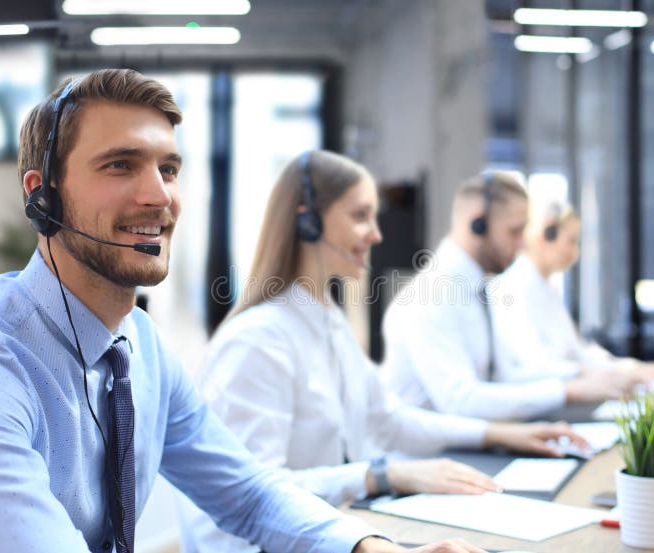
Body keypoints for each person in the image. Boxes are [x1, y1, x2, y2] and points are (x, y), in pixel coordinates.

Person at [0, 69, 488, 553]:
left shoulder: (140, 345)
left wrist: (369, 548)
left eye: (168, 169)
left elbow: (247, 491)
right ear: (42, 197)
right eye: (120, 165)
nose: (159, 195)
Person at [178, 151, 587, 552]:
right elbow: (255, 498)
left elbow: (388, 418)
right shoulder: (257, 342)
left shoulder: (327, 320)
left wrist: (504, 434)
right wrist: (381, 475)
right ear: (307, 221)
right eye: (360, 216)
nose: (376, 234)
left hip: (333, 532)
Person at [381, 173, 641, 421]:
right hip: (420, 459)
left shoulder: (478, 289)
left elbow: (505, 374)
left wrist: (586, 380)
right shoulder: (432, 294)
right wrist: (567, 390)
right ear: (477, 224)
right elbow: (459, 400)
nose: (522, 244)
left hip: (460, 449)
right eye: (515, 232)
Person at [492, 200, 654, 383]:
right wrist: (614, 374)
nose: (575, 253)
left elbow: (576, 351)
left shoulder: (547, 290)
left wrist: (629, 368)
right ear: (545, 235)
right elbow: (536, 365)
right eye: (571, 241)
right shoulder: (511, 290)